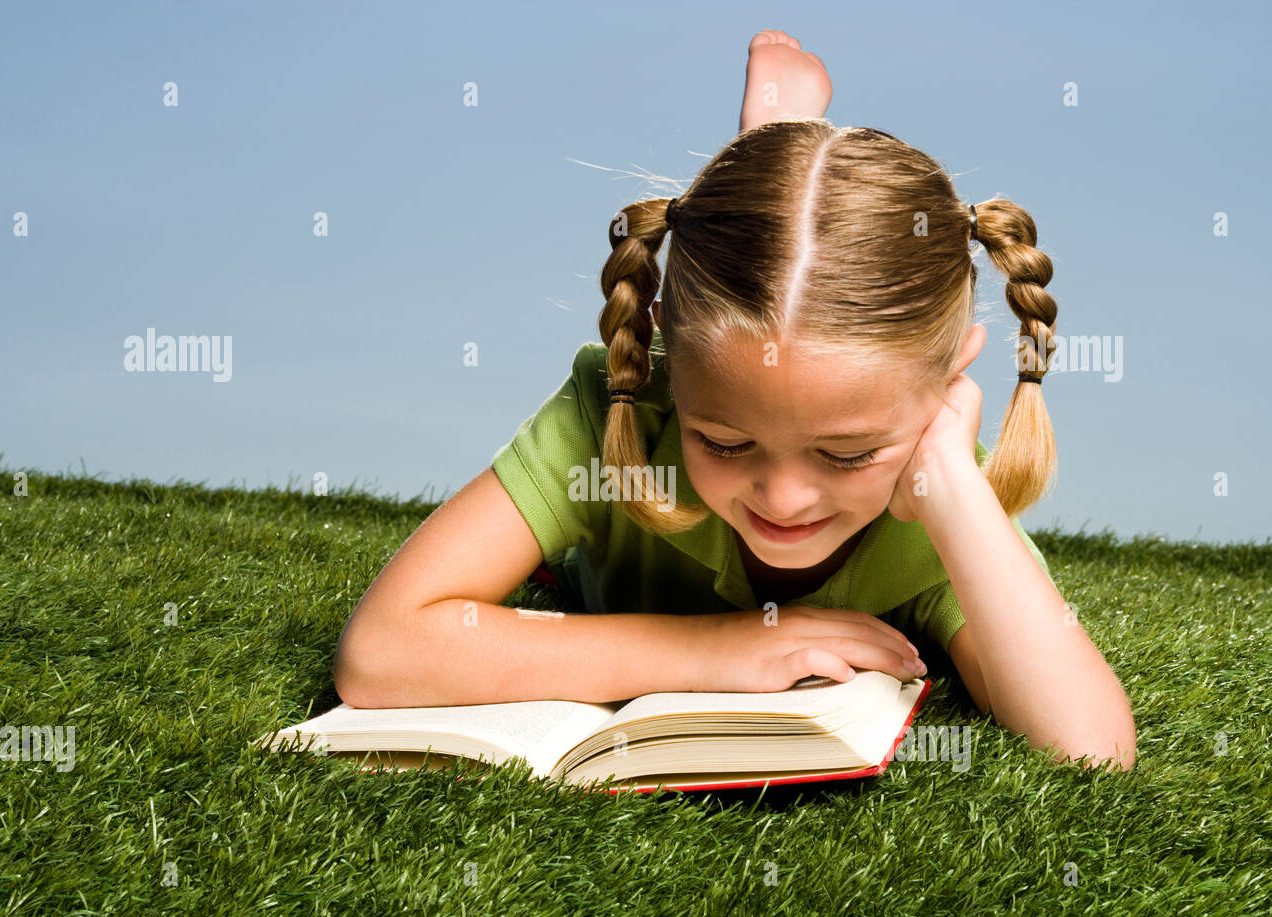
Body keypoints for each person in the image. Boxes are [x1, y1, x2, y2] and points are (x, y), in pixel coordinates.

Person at [334, 31, 1136, 771]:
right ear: (663, 358)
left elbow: (1093, 748)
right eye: (722, 440)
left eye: (849, 453)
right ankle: (772, 146)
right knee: (779, 257)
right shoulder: (618, 408)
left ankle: (775, 139)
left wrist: (956, 490)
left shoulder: (933, 492)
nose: (784, 497)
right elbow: (380, 651)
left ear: (948, 383)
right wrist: (715, 648)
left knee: (794, 265)